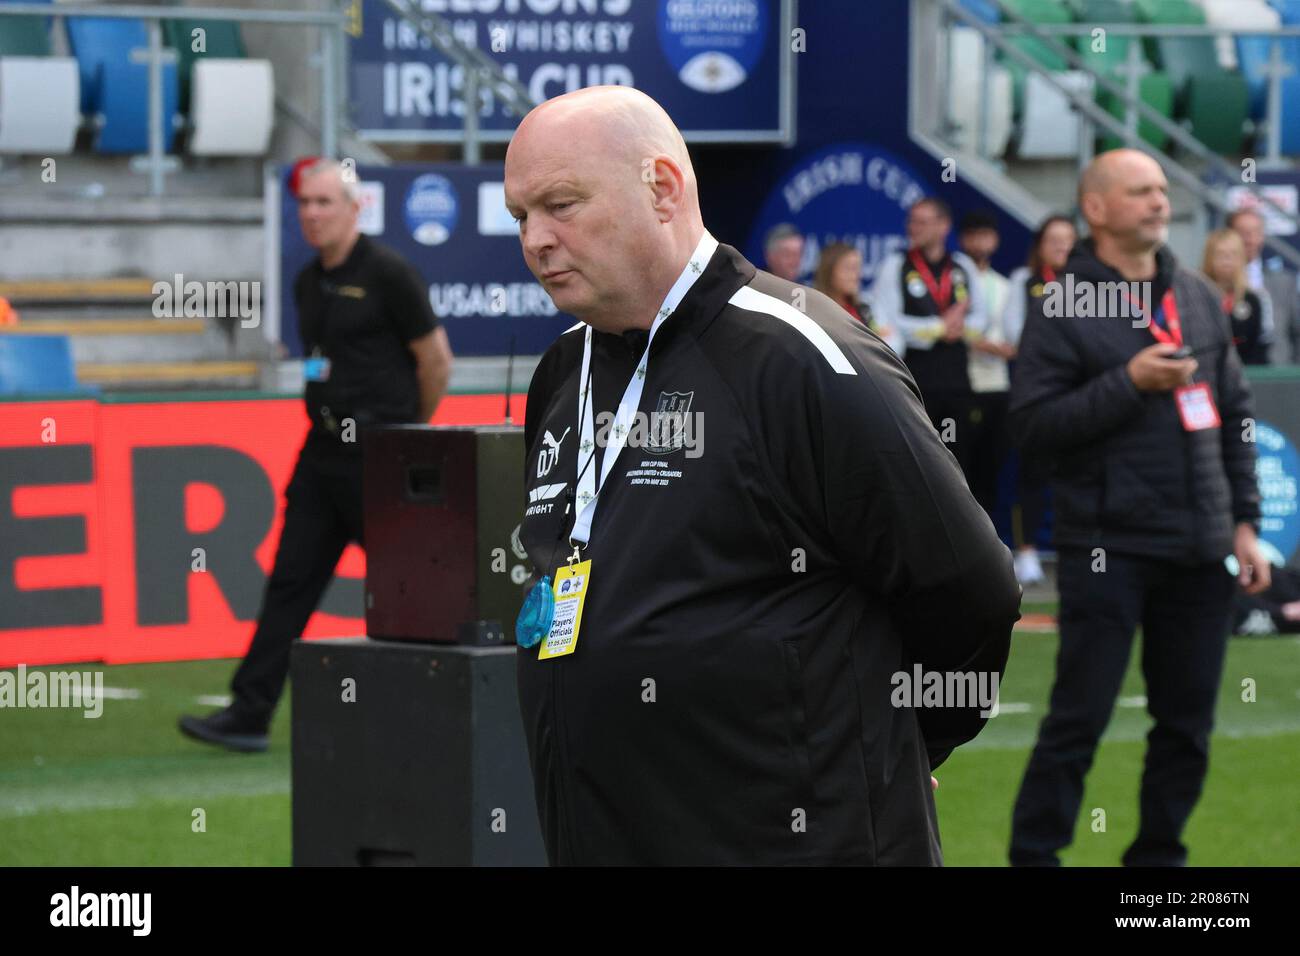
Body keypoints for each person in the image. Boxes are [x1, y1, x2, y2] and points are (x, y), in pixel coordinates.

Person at [504, 86, 1020, 865]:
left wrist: (899, 744)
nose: (536, 239)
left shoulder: (801, 353)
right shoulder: (562, 370)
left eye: (561, 205)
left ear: (664, 188)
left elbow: (969, 585)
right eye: (520, 216)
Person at [1008, 148, 1270, 867]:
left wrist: (1245, 524)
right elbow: (1032, 428)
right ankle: (1035, 856)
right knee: (1079, 719)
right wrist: (1127, 381)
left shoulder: (1190, 293)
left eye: (1162, 189)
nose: (1160, 201)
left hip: (1199, 546)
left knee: (1186, 725)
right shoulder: (1062, 305)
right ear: (1096, 208)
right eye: (1141, 191)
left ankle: (1158, 865)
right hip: (1110, 548)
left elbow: (1235, 413)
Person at [179, 159, 455, 752]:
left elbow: (436, 361)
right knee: (288, 585)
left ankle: (435, 713)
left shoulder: (389, 273)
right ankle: (249, 714)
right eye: (305, 203)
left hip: (381, 459)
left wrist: (406, 435)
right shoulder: (307, 280)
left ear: (356, 209)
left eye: (325, 202)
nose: (312, 213)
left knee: (409, 590)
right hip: (321, 454)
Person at [870, 197, 987, 479]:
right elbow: (890, 322)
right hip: (915, 382)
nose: (913, 227)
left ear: (943, 226)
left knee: (961, 469)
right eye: (911, 221)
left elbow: (981, 318)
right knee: (920, 468)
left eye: (922, 222)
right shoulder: (896, 265)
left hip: (959, 382)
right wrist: (939, 327)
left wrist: (959, 329)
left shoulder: (962, 266)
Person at [1003, 214, 1078, 586]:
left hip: (1078, 393)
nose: (1062, 246)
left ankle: (1076, 549)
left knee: (1075, 472)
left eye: (1068, 239)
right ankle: (1027, 552)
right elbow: (1016, 332)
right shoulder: (1024, 280)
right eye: (1054, 240)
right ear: (1041, 246)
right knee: (1031, 473)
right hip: (1035, 393)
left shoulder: (1089, 284)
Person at [959, 209, 1013, 518]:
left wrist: (1007, 349)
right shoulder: (955, 277)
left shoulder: (1005, 285)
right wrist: (976, 342)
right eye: (974, 234)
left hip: (997, 386)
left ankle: (990, 549)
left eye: (986, 235)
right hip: (964, 384)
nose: (981, 241)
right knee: (959, 470)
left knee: (990, 469)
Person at [1228, 207, 1299, 365]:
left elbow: (1296, 332)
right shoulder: (1215, 283)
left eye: (1255, 232)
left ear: (1262, 237)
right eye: (1243, 232)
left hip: (1278, 373)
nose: (1249, 239)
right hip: (1233, 370)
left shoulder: (1284, 282)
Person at [812, 241, 903, 354]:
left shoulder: (865, 308)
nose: (856, 275)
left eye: (858, 268)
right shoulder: (814, 311)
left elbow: (895, 345)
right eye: (849, 268)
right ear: (829, 272)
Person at [1202, 228, 1271, 366]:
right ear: (1209, 258)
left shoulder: (1252, 300)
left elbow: (1258, 346)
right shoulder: (1197, 296)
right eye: (1220, 254)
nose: (1226, 261)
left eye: (1232, 255)